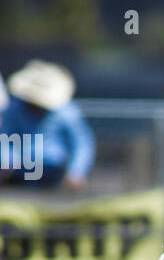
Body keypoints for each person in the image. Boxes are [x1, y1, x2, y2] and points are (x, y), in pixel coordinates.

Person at [0, 60, 94, 189]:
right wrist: (7, 162)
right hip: (15, 174)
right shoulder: (14, 109)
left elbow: (81, 143)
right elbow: (5, 137)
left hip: (53, 174)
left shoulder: (66, 112)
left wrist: (76, 172)